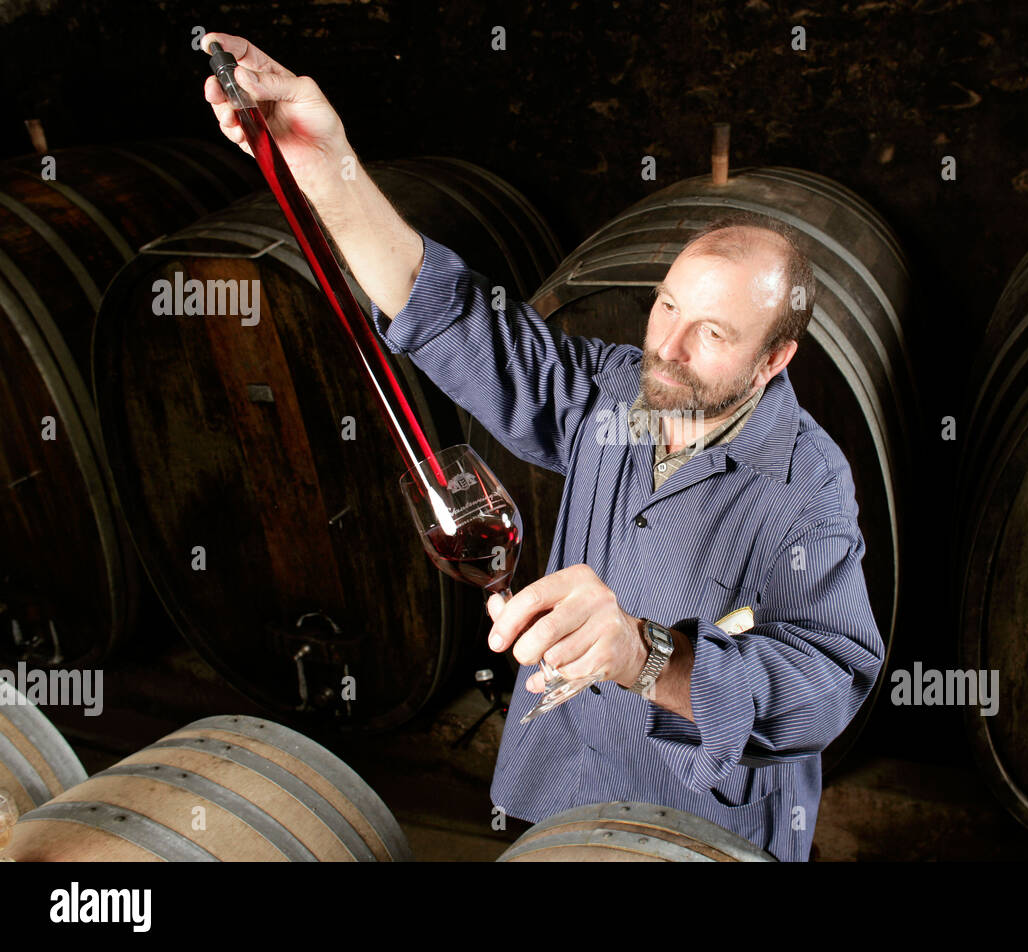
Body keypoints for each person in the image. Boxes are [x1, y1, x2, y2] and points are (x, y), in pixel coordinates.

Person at [201, 33, 884, 862]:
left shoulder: (807, 485)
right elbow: (449, 315)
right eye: (667, 306)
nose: (666, 347)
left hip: (696, 821)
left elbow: (828, 687)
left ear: (774, 358)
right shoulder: (609, 390)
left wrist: (648, 656)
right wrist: (326, 162)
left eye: (711, 332)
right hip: (559, 781)